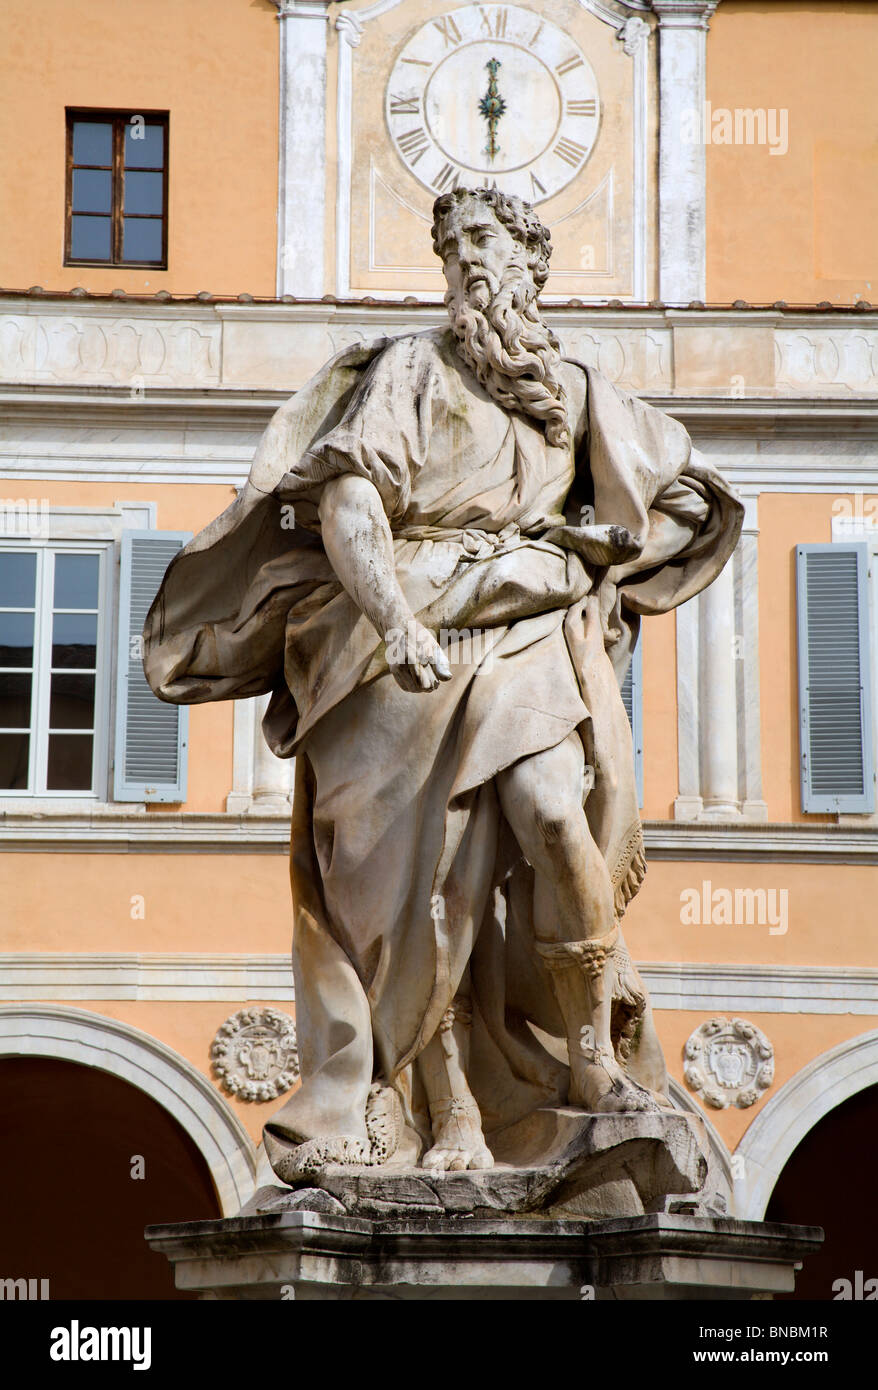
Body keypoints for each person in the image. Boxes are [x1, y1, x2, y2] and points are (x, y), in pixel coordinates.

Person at [144, 187, 742, 1181]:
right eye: (453, 244)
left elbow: (687, 507)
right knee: (434, 881)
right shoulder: (407, 369)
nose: (469, 259)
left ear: (531, 266)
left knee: (550, 813)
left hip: (525, 627)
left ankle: (590, 1055)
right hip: (399, 644)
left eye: (487, 242)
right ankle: (449, 1098)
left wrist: (594, 560)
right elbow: (348, 499)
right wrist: (393, 617)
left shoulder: (585, 393)